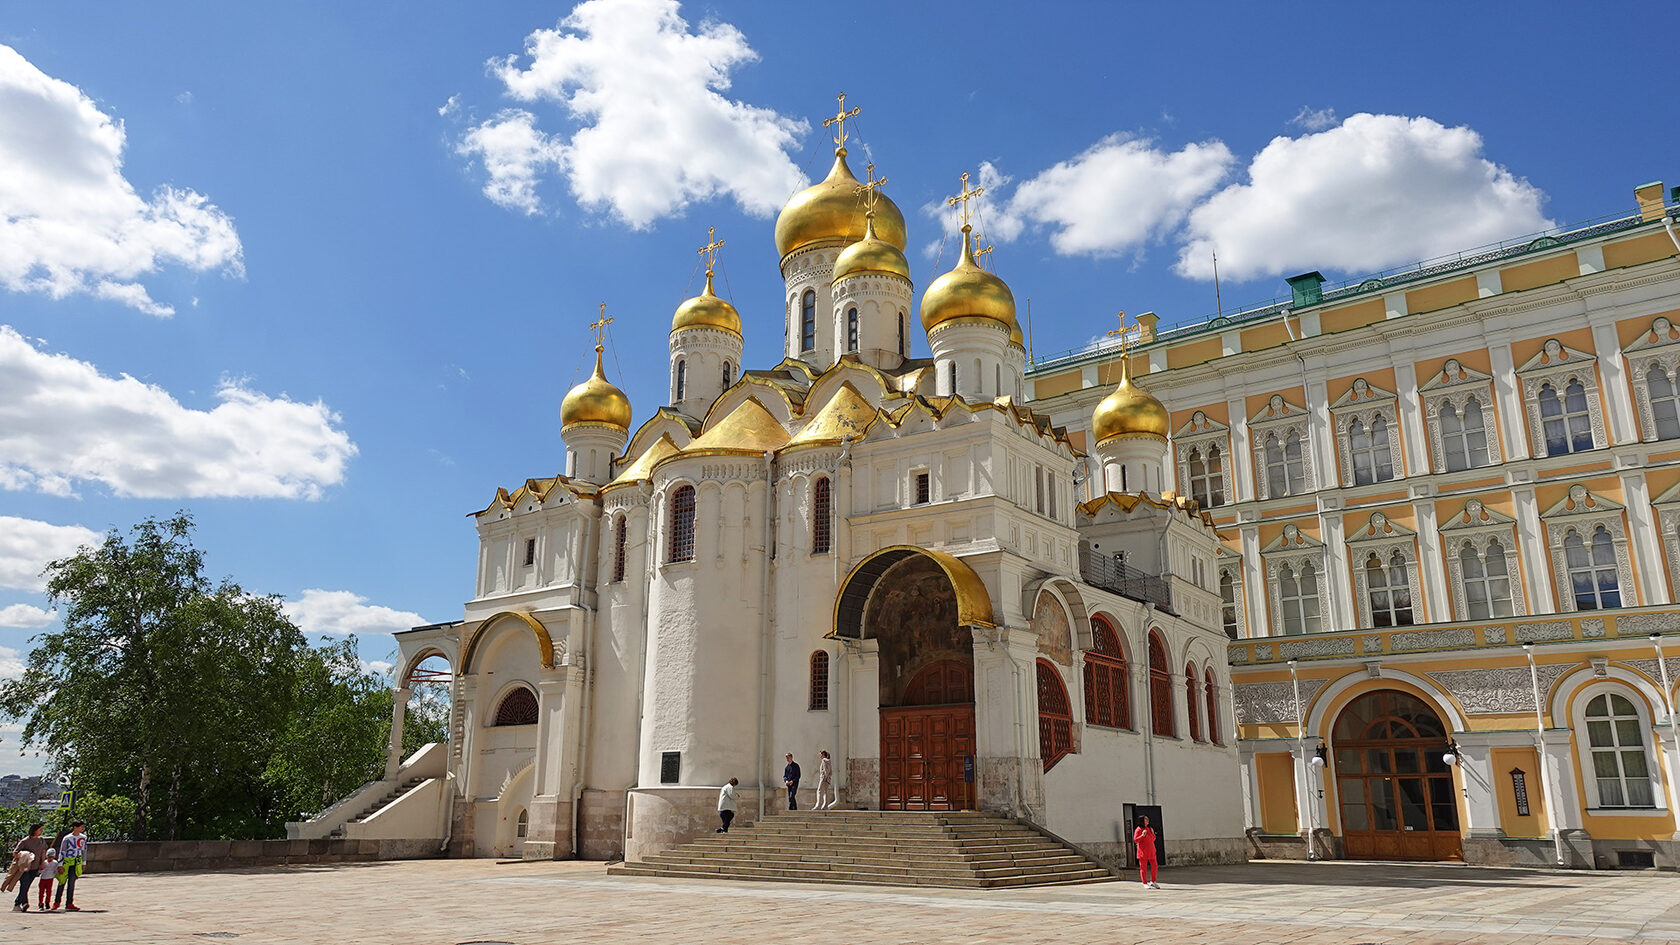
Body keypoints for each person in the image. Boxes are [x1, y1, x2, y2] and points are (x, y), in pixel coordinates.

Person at [11, 823, 47, 912]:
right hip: (25, 867)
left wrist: (42, 863)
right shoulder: (25, 841)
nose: (41, 831)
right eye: (40, 830)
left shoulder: (41, 840)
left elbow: (43, 852)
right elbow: (15, 853)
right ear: (34, 830)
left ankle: (17, 903)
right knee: (25, 884)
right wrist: (25, 855)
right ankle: (24, 903)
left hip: (35, 866)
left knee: (26, 886)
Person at [55, 821, 85, 912]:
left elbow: (84, 850)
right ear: (75, 827)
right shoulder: (67, 838)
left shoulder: (83, 837)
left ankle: (69, 903)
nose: (82, 829)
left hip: (76, 862)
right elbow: (62, 851)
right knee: (62, 882)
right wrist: (60, 864)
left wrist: (84, 863)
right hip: (66, 862)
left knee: (71, 883)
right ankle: (56, 902)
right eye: (81, 827)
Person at [1133, 814, 1159, 889]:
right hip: (1143, 852)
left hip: (1151, 850)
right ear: (1142, 820)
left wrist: (1153, 833)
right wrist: (1142, 835)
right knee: (1143, 868)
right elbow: (1135, 840)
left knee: (1154, 866)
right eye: (1145, 819)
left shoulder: (1149, 828)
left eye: (1147, 818)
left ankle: (1153, 881)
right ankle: (1144, 882)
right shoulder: (1139, 829)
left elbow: (1152, 839)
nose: (1147, 820)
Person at [35, 838, 57, 912]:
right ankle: (40, 903)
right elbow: (40, 870)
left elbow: (55, 870)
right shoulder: (44, 862)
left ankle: (47, 903)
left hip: (50, 879)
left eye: (51, 857)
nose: (50, 859)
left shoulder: (55, 863)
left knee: (49, 892)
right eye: (49, 857)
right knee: (41, 892)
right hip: (43, 878)